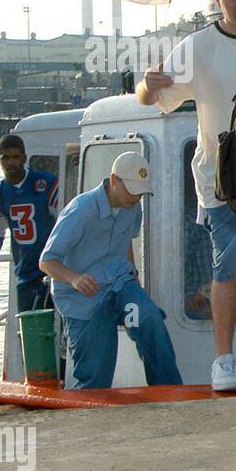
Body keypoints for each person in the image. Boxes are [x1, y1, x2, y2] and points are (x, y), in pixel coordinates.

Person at [136, 0, 236, 392]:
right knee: (226, 263)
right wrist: (148, 85)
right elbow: (152, 97)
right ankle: (223, 360)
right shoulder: (198, 47)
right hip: (221, 181)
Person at [39, 153, 183, 390]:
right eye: (133, 190)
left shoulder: (132, 206)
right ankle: (90, 410)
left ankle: (168, 391)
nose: (137, 197)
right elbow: (46, 261)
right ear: (114, 180)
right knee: (96, 374)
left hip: (119, 286)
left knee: (148, 317)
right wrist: (74, 279)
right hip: (84, 299)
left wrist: (133, 280)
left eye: (141, 191)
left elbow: (124, 240)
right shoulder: (80, 210)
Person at [0, 134, 59, 313]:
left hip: (54, 269)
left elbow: (65, 220)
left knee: (58, 327)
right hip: (25, 273)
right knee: (30, 330)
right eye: (5, 158)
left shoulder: (46, 184)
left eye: (15, 157)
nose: (10, 163)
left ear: (24, 158)